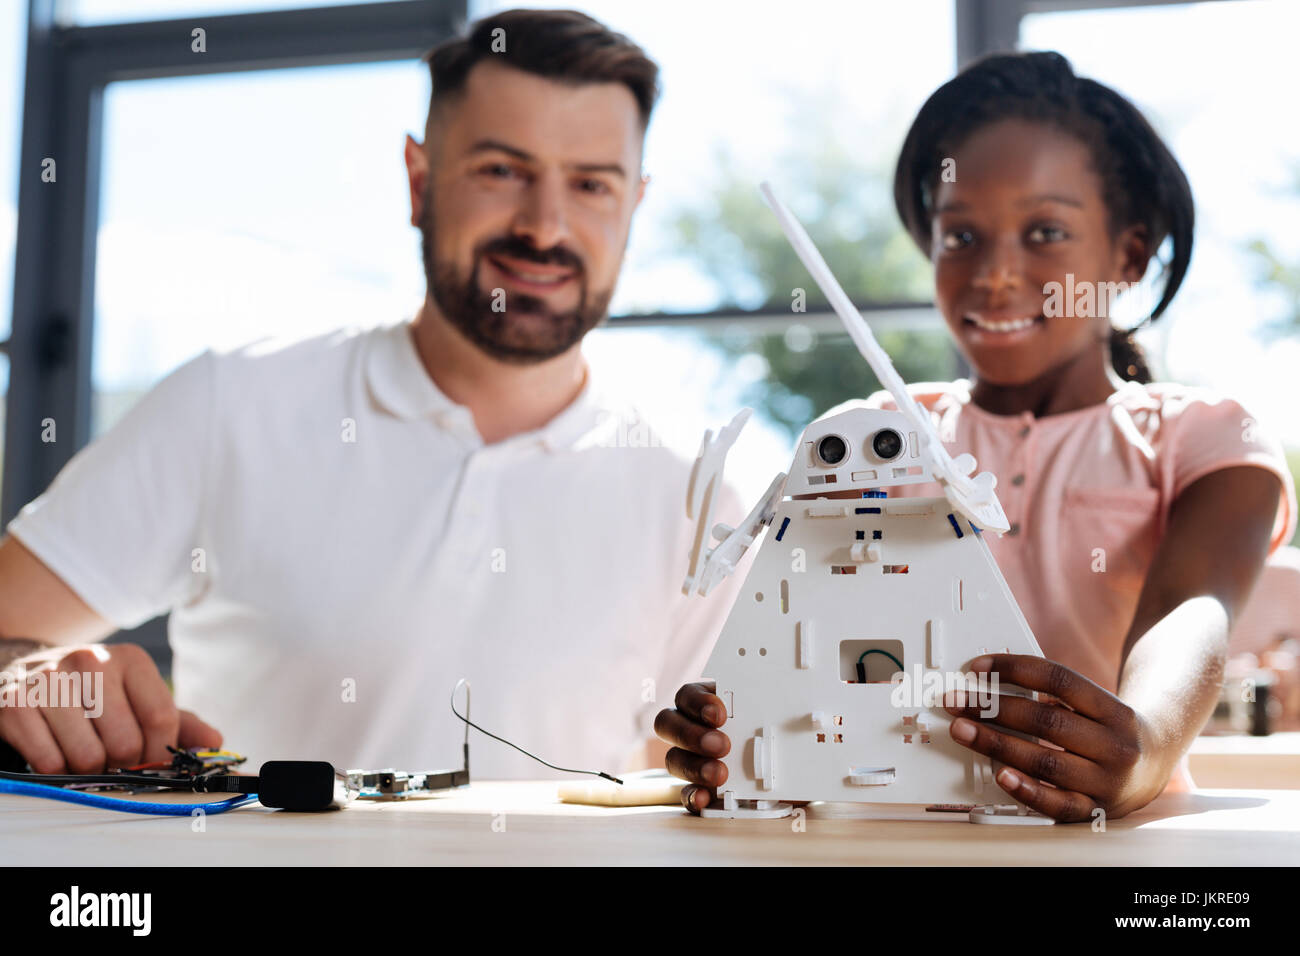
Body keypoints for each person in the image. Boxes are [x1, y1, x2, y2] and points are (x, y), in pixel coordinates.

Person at [0, 8, 746, 780]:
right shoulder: (230, 406)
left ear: (632, 208)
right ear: (419, 182)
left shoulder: (701, 499)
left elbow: (694, 785)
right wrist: (22, 679)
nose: (545, 225)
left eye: (592, 184)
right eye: (502, 171)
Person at [657, 51, 1297, 822]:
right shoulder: (872, 441)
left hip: (1119, 846)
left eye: (1046, 231)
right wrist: (734, 722)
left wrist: (1147, 744)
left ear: (1126, 256)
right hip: (892, 844)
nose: (994, 274)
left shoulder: (1209, 442)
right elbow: (797, 629)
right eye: (961, 237)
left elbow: (1189, 610)